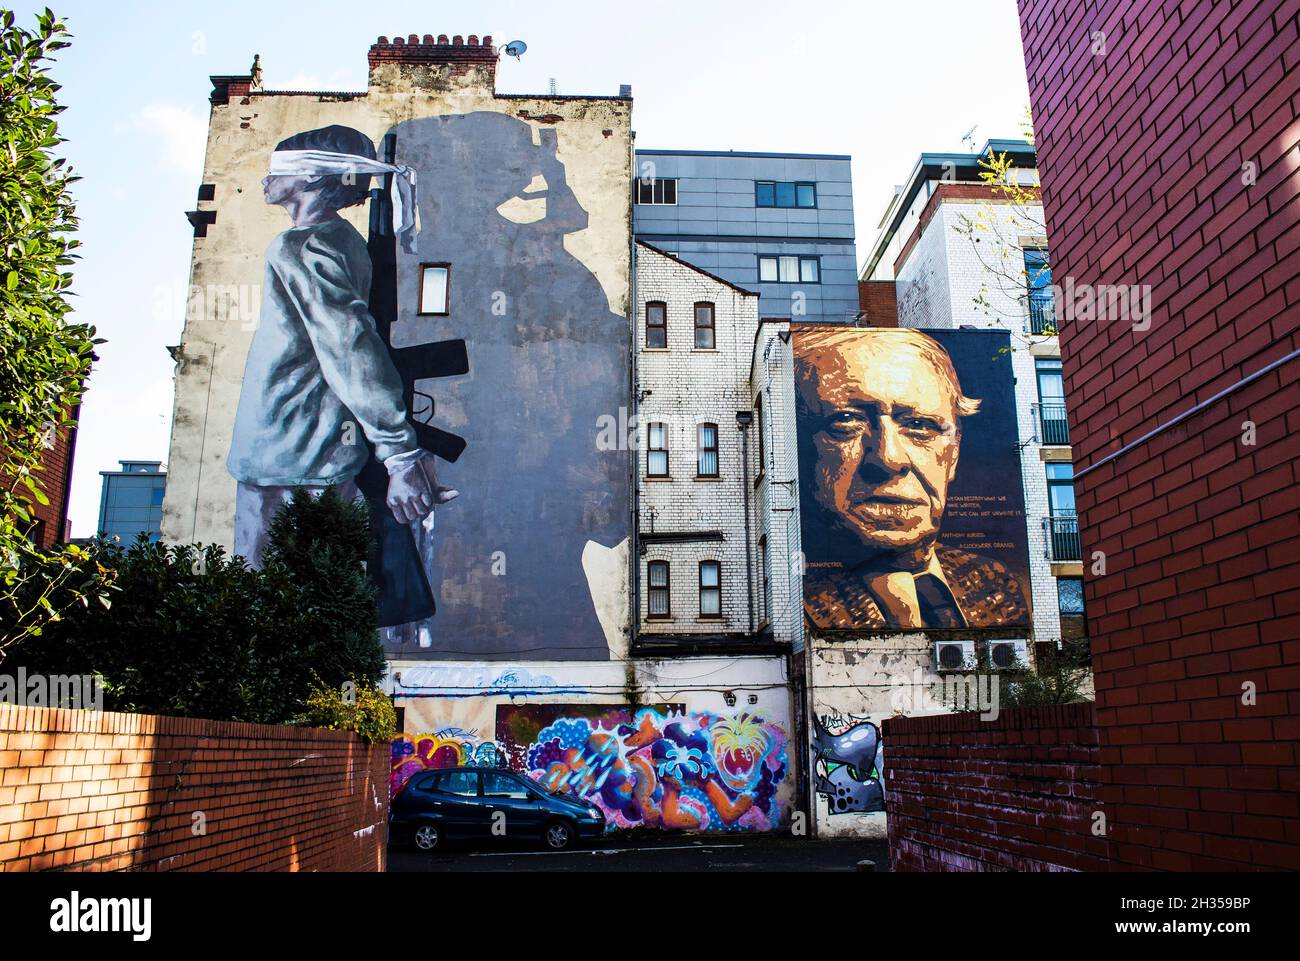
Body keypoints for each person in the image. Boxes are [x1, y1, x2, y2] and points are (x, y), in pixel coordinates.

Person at [227, 124, 456, 568]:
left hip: (291, 453)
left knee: (264, 599)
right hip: (300, 448)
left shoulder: (303, 246)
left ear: (312, 178)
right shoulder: (338, 240)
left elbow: (350, 348)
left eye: (280, 170)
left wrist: (399, 453)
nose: (265, 179)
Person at [794, 327, 1029, 629]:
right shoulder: (791, 603)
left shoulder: (994, 583)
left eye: (919, 425)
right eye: (846, 420)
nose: (888, 458)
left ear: (953, 454)